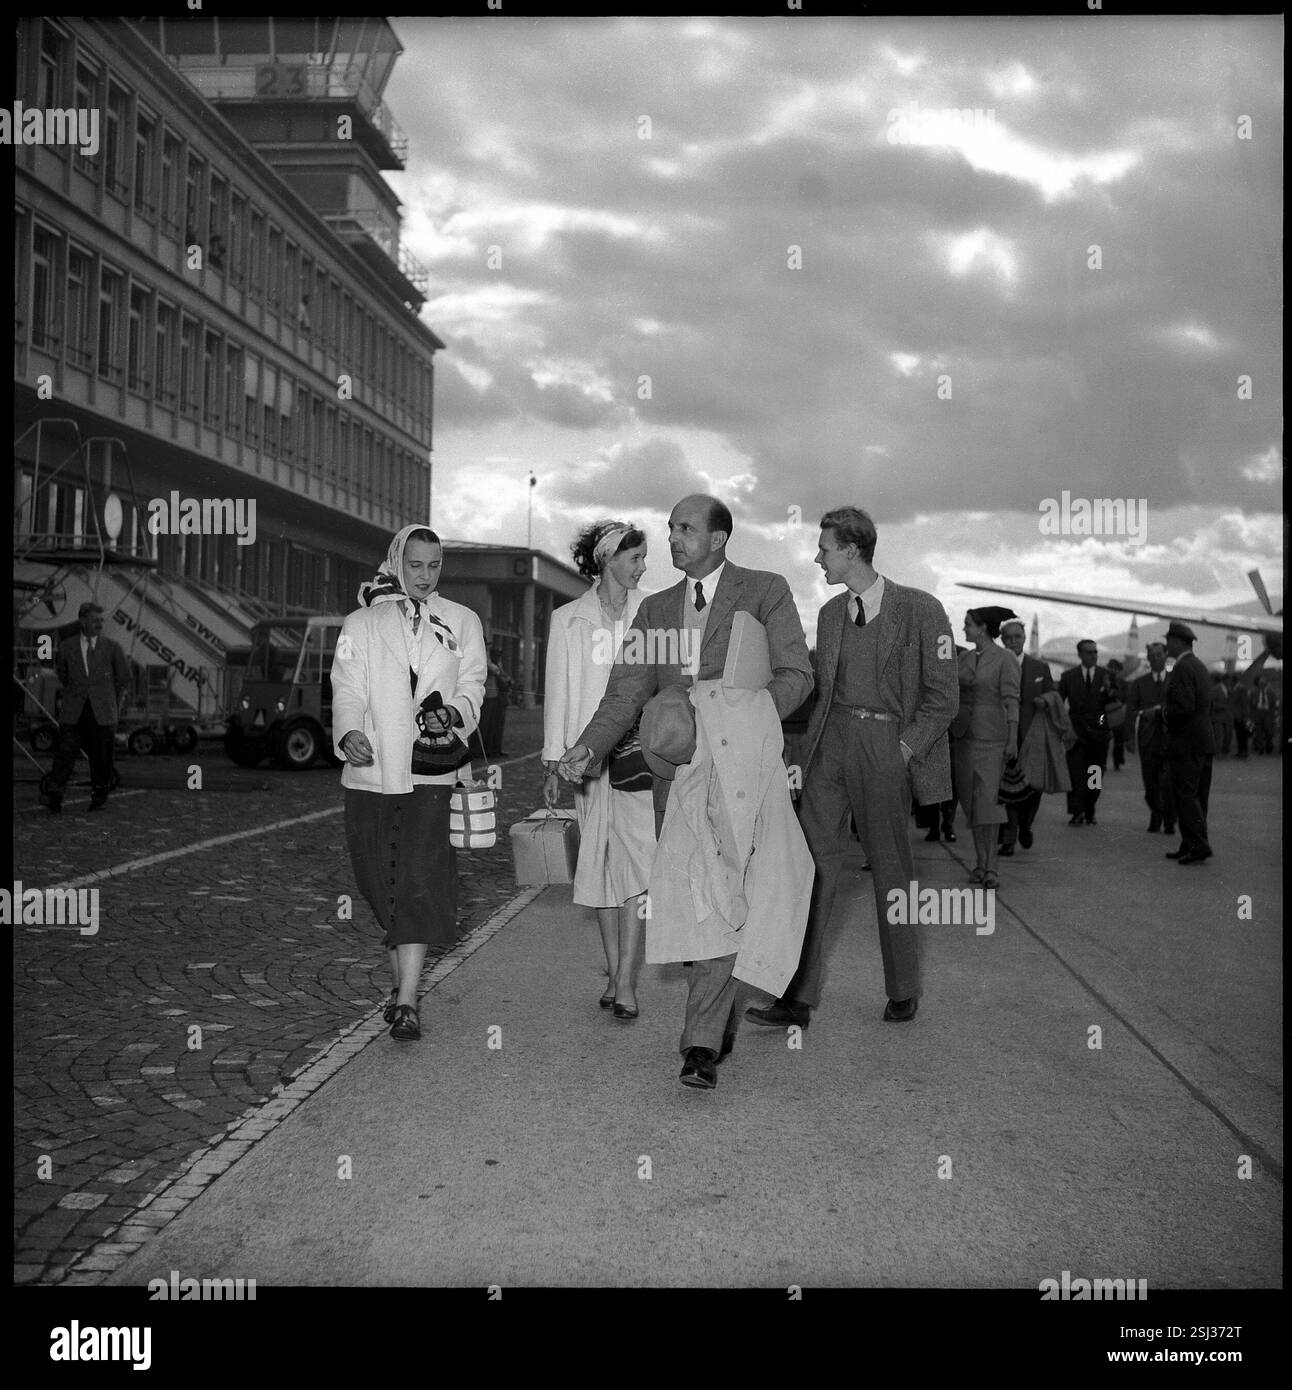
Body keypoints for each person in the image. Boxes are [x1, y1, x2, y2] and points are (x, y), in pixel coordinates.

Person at [558, 494, 813, 1090]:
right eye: (671, 529)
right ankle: (710, 1019)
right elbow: (625, 693)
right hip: (678, 775)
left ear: (719, 538)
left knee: (734, 891)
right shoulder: (657, 611)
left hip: (746, 773)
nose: (673, 539)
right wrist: (585, 749)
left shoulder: (765, 590)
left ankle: (700, 1039)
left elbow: (798, 675)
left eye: (685, 529)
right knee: (696, 891)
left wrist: (737, 719)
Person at [747, 505, 958, 1031]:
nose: (818, 558)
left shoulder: (921, 609)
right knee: (812, 864)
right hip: (832, 742)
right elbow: (821, 689)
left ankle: (903, 987)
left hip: (887, 741)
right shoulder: (829, 614)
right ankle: (797, 996)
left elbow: (943, 696)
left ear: (851, 550)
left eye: (824, 549)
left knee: (891, 867)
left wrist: (904, 750)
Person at [331, 525, 487, 1041]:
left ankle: (407, 999)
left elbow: (473, 685)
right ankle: (403, 986)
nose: (424, 576)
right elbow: (347, 685)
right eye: (416, 565)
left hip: (431, 768)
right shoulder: (360, 623)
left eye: (434, 565)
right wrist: (349, 730)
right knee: (379, 880)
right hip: (373, 770)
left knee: (420, 876)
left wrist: (456, 714)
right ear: (398, 561)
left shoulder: (462, 621)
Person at [542, 520, 655, 1020]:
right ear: (609, 559)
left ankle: (627, 981)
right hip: (585, 764)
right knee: (600, 867)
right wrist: (554, 761)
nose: (643, 567)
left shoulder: (650, 615)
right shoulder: (568, 619)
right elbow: (558, 694)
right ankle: (614, 971)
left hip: (635, 760)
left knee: (633, 867)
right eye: (635, 559)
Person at [949, 607, 1020, 887]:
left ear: (982, 628)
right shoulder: (963, 659)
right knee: (970, 806)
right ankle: (980, 862)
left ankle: (991, 868)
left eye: (968, 625)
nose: (963, 628)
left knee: (987, 806)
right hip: (964, 741)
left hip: (993, 741)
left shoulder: (1005, 658)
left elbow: (1012, 700)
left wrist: (1013, 739)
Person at [43, 602, 132, 813]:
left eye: (102, 620)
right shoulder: (66, 647)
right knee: (65, 754)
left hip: (103, 714)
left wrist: (114, 707)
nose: (100, 624)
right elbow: (63, 676)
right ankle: (54, 795)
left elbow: (124, 680)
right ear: (82, 621)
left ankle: (99, 796)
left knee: (101, 757)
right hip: (74, 712)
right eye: (95, 620)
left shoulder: (112, 648)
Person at [997, 618, 1054, 855]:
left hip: (1033, 738)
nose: (1013, 642)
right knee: (1006, 791)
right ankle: (1009, 838)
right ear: (1002, 640)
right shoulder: (996, 664)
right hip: (1004, 736)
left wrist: (1046, 700)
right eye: (1008, 638)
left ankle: (1026, 826)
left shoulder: (1040, 668)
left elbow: (1054, 695)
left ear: (1024, 638)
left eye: (1017, 637)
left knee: (1032, 789)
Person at [1161, 621, 1215, 865]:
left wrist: (1163, 713)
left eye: (1168, 640)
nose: (1166, 644)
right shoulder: (1199, 666)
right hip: (1202, 742)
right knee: (1197, 797)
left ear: (1177, 642)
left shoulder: (1182, 667)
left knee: (1186, 795)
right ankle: (1189, 843)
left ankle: (1198, 845)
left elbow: (1184, 707)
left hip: (1187, 744)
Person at [1058, 640, 1113, 826]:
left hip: (1099, 734)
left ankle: (1090, 809)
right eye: (1089, 652)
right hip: (1076, 733)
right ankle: (1076, 812)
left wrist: (1109, 689)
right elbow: (1059, 703)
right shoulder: (1068, 677)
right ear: (1080, 654)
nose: (1093, 655)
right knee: (1075, 774)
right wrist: (1063, 728)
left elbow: (1116, 701)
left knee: (1095, 775)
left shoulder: (1106, 675)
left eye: (1095, 652)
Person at [1124, 641, 1176, 834]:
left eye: (1159, 654)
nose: (1155, 658)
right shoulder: (1139, 683)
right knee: (1150, 783)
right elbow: (1130, 710)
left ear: (1166, 655)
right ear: (1147, 658)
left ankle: (1169, 820)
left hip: (1170, 739)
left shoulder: (1175, 680)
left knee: (1168, 783)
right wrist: (1129, 737)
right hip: (1148, 740)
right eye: (1152, 655)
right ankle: (1156, 813)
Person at [480, 642, 511, 757]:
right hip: (489, 696)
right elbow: (495, 671)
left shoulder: (495, 662)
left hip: (496, 695)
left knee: (495, 726)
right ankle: (486, 749)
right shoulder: (485, 660)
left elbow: (500, 673)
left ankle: (494, 749)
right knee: (487, 725)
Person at [1105, 658, 1128, 770]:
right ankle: (1111, 761)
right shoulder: (1104, 680)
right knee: (1105, 738)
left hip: (1115, 712)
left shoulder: (1121, 682)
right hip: (1107, 713)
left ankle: (1117, 761)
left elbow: (1125, 697)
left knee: (1118, 739)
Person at [1228, 676, 1251, 759]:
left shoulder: (1241, 688)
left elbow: (1244, 703)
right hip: (1237, 715)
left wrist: (1244, 716)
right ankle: (1241, 751)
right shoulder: (1236, 688)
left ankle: (1243, 751)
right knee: (1239, 734)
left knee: (1242, 734)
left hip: (1240, 715)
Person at [1252, 678, 1277, 754]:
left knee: (1268, 731)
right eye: (1260, 684)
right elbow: (1251, 703)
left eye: (1263, 684)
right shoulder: (1255, 692)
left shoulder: (1271, 692)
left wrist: (1273, 714)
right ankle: (1260, 749)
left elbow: (1274, 703)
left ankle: (1269, 745)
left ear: (1265, 684)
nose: (1261, 685)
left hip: (1268, 713)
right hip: (1258, 713)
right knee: (1258, 732)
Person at [1209, 674, 1231, 756]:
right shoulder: (1217, 689)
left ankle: (1221, 751)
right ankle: (1218, 752)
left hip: (1224, 716)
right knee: (1219, 735)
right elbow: (1212, 703)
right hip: (1218, 716)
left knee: (1224, 735)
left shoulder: (1225, 688)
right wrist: (1220, 707)